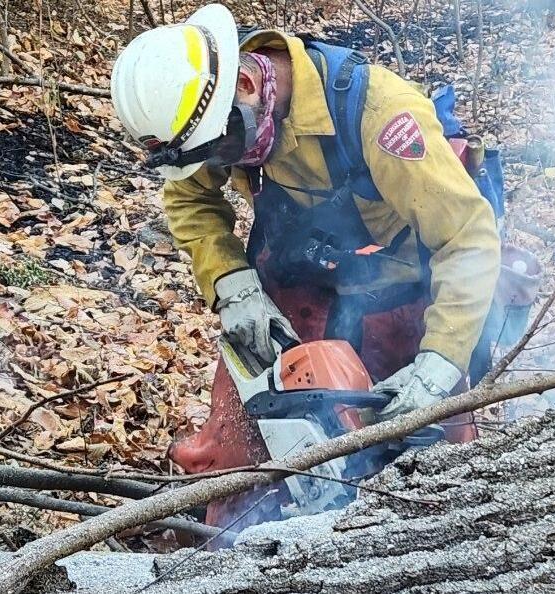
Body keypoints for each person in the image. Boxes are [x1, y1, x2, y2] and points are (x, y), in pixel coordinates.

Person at [109, 3, 502, 528]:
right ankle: (221, 548)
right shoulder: (209, 120)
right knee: (232, 450)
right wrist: (232, 284)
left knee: (431, 451)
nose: (221, 164)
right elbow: (188, 200)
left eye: (223, 148)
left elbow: (467, 238)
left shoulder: (380, 113)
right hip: (293, 279)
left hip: (402, 285)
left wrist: (439, 363)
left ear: (247, 85)